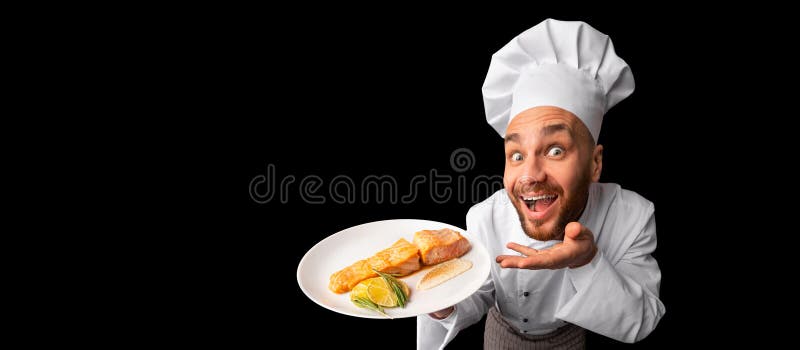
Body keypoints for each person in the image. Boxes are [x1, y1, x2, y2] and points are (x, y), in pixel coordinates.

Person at [417, 19, 665, 349]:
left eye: (555, 150)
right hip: (500, 336)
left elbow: (642, 319)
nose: (530, 174)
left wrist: (586, 261)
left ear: (595, 163)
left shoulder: (632, 217)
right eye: (517, 155)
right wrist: (443, 306)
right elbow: (478, 293)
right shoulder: (484, 217)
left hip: (567, 340)